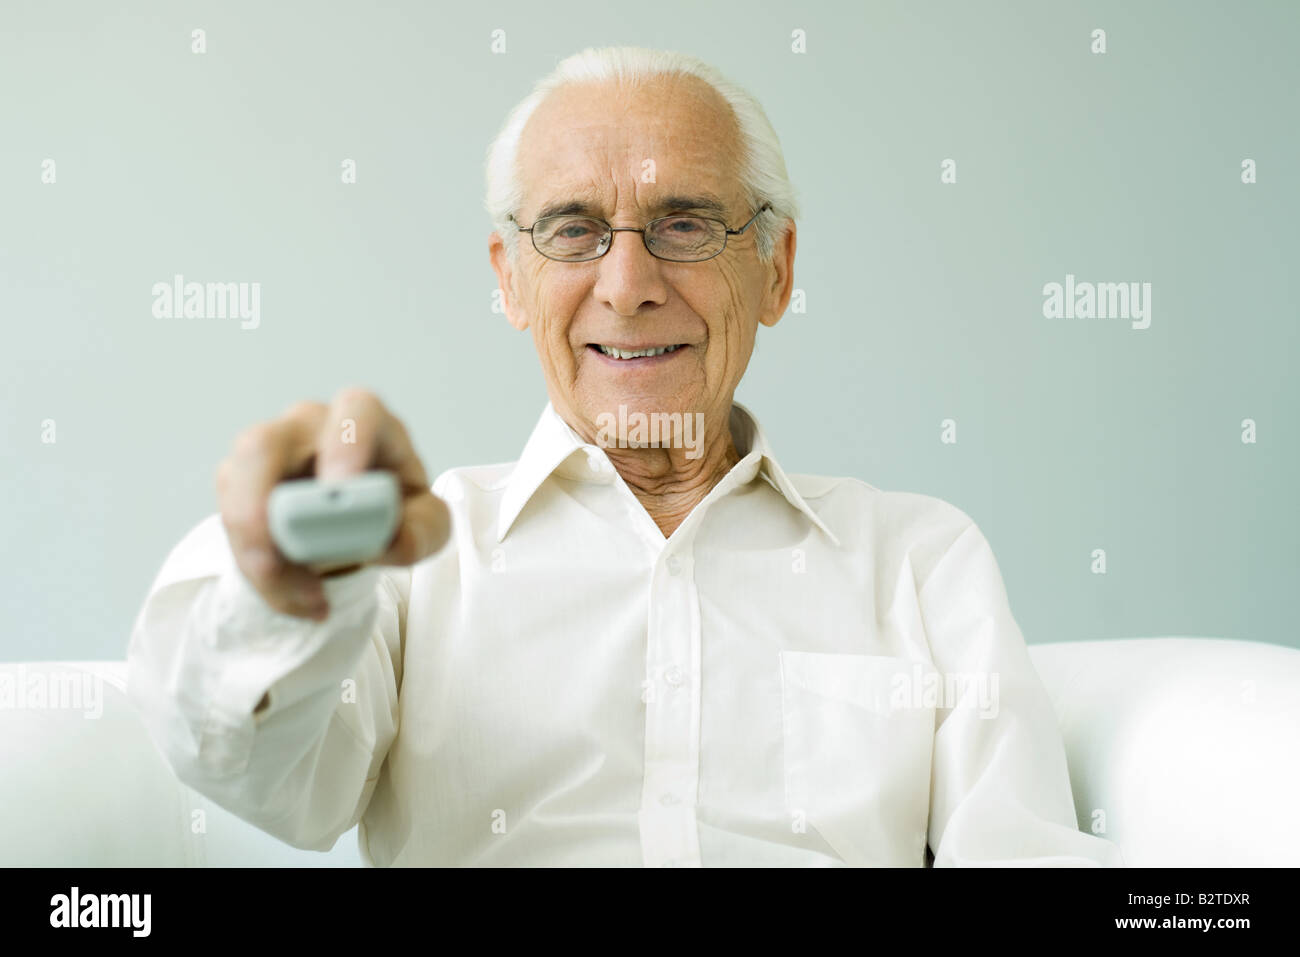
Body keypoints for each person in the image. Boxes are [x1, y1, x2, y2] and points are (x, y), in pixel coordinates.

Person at [126, 46, 1123, 867]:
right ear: (510, 281)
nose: (629, 283)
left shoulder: (919, 558)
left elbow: (1020, 855)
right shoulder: (410, 562)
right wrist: (284, 585)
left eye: (685, 224)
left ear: (774, 271)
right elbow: (255, 772)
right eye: (573, 232)